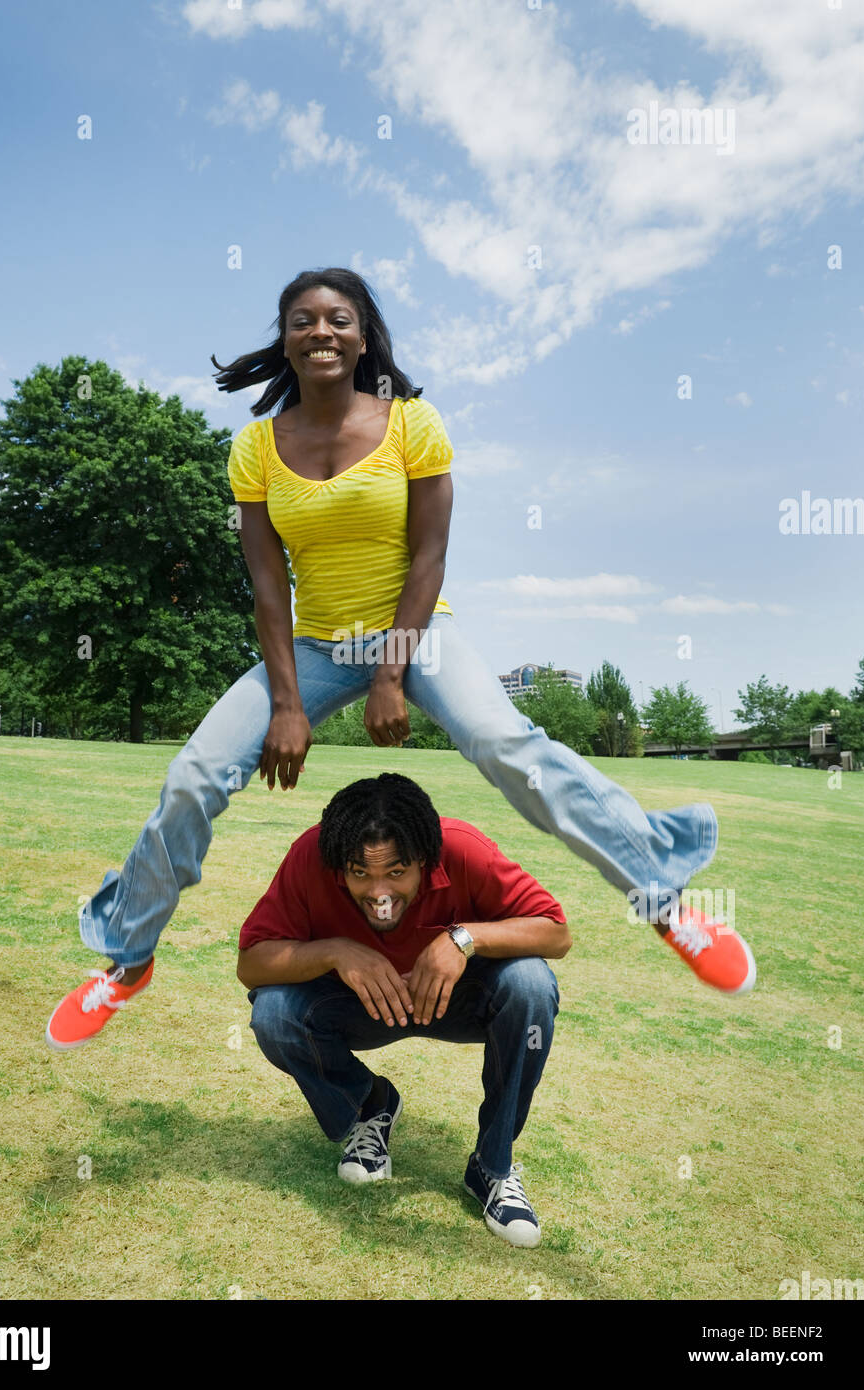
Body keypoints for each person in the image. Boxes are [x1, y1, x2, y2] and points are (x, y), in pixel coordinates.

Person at [45, 266, 754, 1054]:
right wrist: (286, 702)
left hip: (417, 635)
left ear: (363, 336)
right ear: (285, 336)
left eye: (338, 319)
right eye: (304, 320)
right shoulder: (254, 447)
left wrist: (391, 672)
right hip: (314, 645)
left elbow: (431, 555)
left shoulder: (412, 423)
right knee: (192, 776)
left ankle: (660, 893)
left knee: (503, 744)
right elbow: (265, 582)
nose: (321, 331)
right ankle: (129, 954)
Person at [238, 773, 569, 1248]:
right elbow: (251, 964)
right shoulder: (312, 855)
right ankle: (370, 1108)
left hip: (456, 998)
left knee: (531, 983)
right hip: (357, 1005)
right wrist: (337, 951)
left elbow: (555, 932)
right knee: (273, 1012)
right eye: (359, 873)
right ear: (339, 864)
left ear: (425, 860)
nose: (379, 893)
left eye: (396, 873)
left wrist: (463, 938)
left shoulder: (462, 848)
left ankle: (491, 1168)